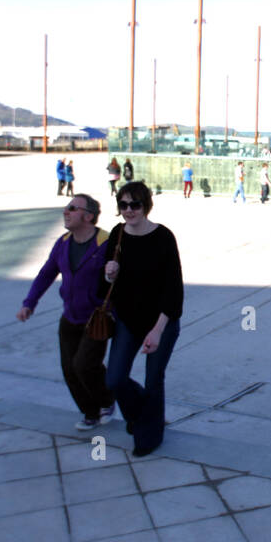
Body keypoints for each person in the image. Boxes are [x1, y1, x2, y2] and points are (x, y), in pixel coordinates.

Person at [17, 194, 116, 431]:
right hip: (69, 317)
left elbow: (122, 280)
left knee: (84, 364)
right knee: (70, 369)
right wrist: (29, 302)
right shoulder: (63, 242)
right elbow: (47, 273)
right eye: (66, 207)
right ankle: (89, 412)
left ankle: (107, 400)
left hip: (97, 319)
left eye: (72, 208)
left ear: (88, 216)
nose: (66, 212)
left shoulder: (105, 243)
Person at [101, 181, 183, 457]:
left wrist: (158, 331)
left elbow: (174, 290)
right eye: (123, 205)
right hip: (127, 319)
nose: (128, 210)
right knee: (114, 378)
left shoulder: (163, 237)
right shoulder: (117, 234)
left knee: (153, 379)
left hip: (162, 321)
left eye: (134, 204)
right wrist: (108, 274)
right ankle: (141, 415)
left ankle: (148, 437)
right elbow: (105, 288)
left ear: (145, 205)